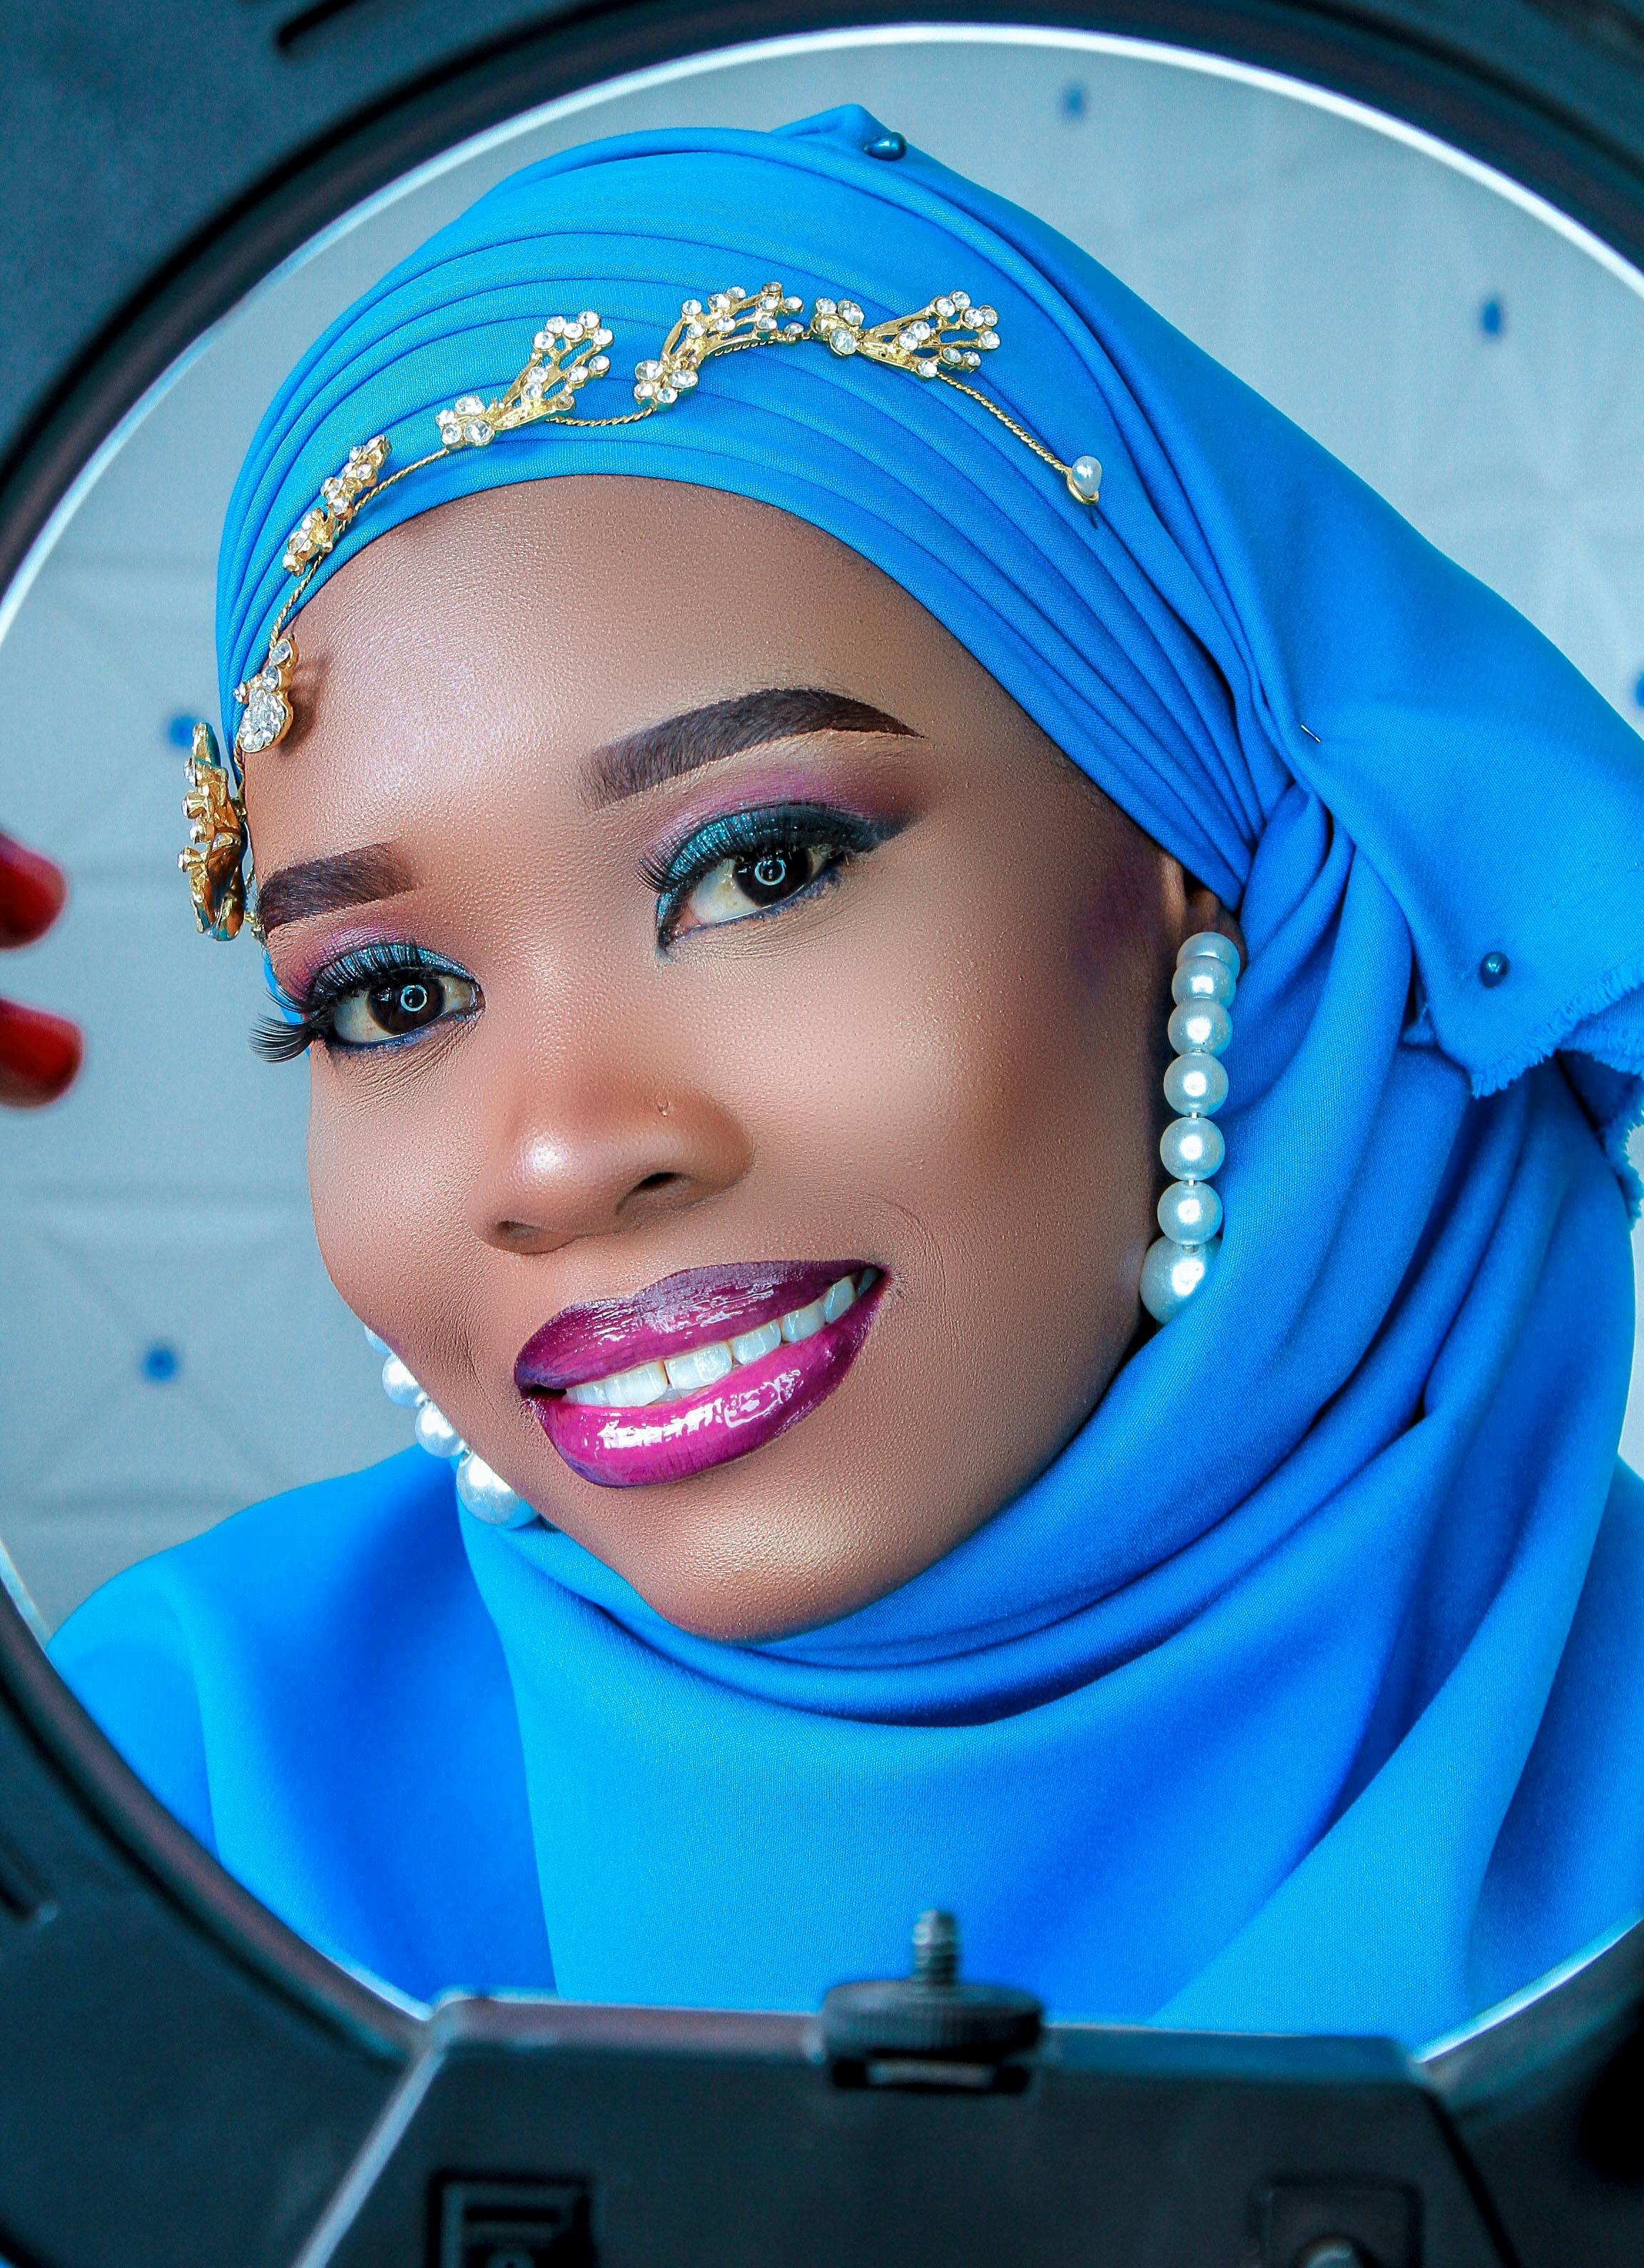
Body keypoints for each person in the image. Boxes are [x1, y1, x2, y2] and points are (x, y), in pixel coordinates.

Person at [49, 106, 1644, 2042]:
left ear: (1195, 865)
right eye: (388, 995)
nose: (558, 1153)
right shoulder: (169, 1790)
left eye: (761, 868)